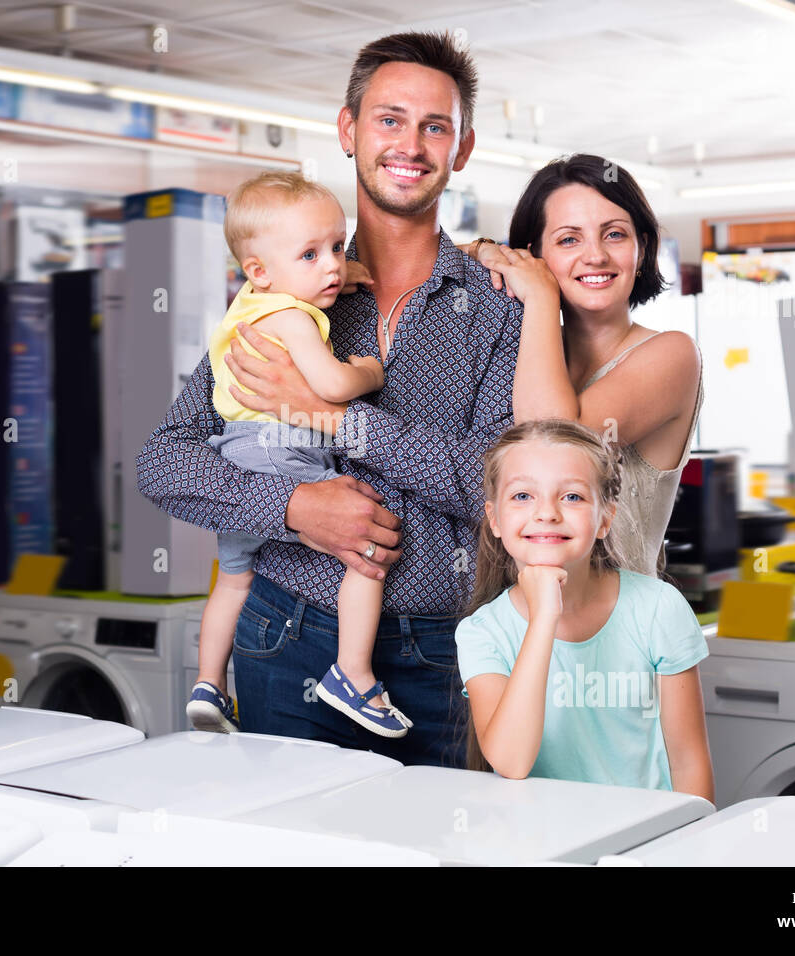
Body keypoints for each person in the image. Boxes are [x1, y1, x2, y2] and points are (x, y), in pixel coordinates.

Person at [137, 31, 519, 767]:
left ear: (461, 149)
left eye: (434, 126)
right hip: (284, 632)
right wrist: (292, 509)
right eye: (389, 119)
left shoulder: (498, 304)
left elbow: (495, 487)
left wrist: (337, 422)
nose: (410, 143)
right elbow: (164, 462)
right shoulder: (281, 296)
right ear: (348, 130)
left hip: (441, 651)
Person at [186, 169, 413, 739]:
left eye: (338, 246)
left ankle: (209, 685)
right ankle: (354, 675)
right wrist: (368, 369)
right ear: (262, 271)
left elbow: (303, 270)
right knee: (366, 552)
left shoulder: (248, 303)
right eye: (311, 254)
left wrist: (334, 271)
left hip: (236, 457)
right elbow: (331, 385)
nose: (333, 265)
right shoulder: (294, 317)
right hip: (287, 452)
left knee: (233, 580)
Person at [461, 154, 703, 576]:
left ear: (642, 248)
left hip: (618, 631)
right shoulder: (523, 350)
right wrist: (484, 251)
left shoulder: (673, 355)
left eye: (614, 235)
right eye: (569, 239)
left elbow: (552, 443)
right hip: (524, 627)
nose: (595, 256)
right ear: (534, 255)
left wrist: (539, 296)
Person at [455, 418, 714, 801]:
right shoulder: (482, 632)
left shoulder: (658, 609)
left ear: (605, 518)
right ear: (495, 519)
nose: (547, 513)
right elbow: (511, 761)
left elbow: (688, 762)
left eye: (572, 497)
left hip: (646, 846)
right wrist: (544, 616)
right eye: (523, 496)